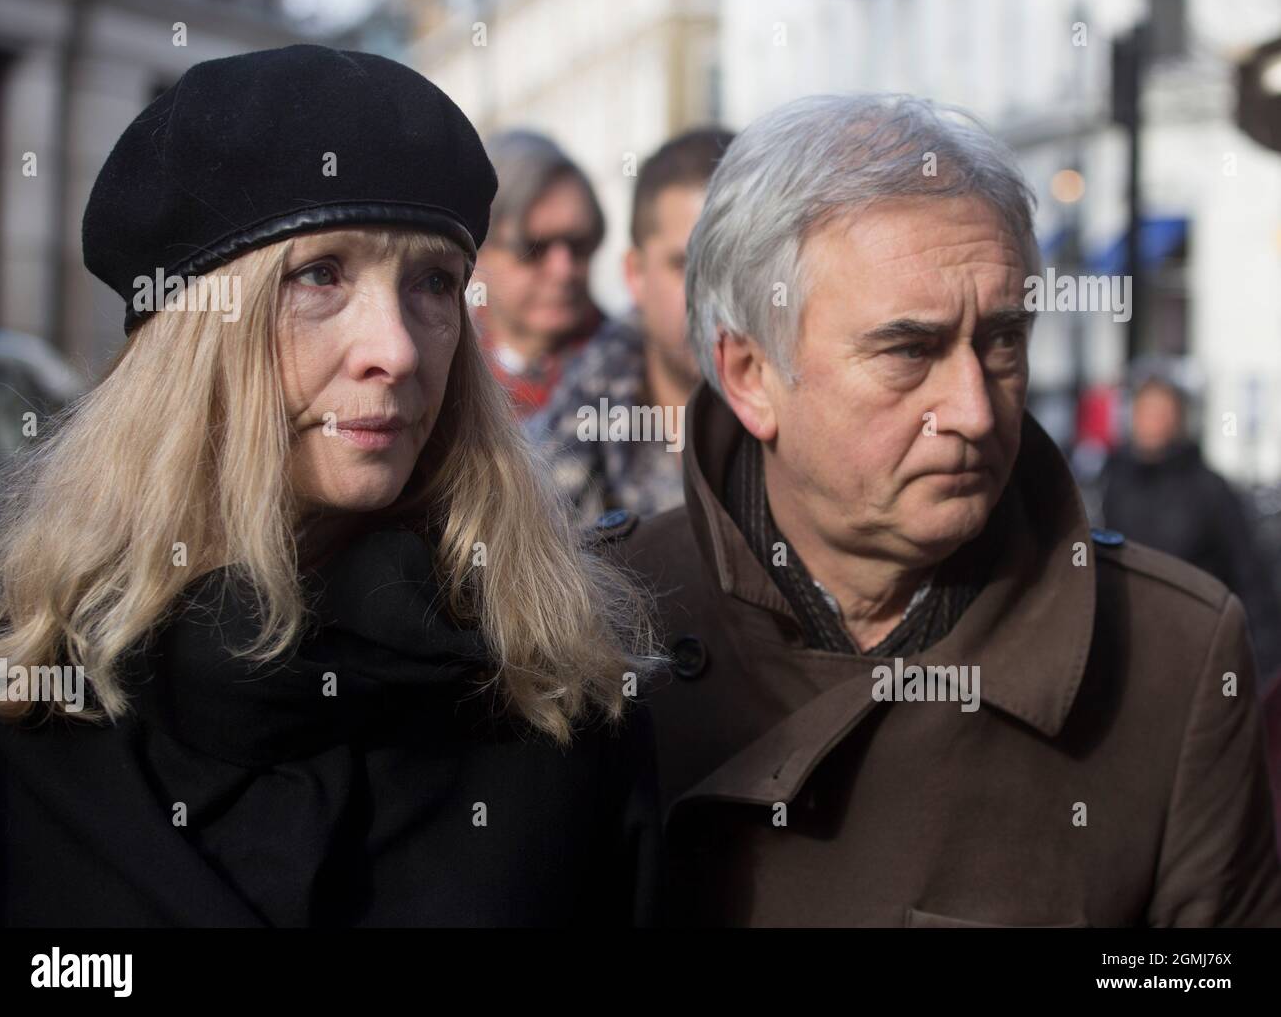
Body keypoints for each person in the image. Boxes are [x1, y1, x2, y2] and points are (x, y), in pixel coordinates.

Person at [0, 45, 661, 928]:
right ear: (194, 335)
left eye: (433, 284)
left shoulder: (559, 702)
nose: (400, 348)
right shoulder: (24, 697)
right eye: (319, 275)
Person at [609, 93, 1281, 926]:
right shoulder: (591, 626)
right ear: (749, 374)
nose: (972, 407)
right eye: (909, 349)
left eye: (1002, 340)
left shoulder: (1169, 656)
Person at [528, 127, 734, 525]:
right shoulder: (543, 471)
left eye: (737, 264)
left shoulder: (819, 441)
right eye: (687, 267)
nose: (715, 297)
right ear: (635, 274)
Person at [1102, 374, 1281, 686]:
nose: (1151, 423)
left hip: (1197, 651)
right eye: (1145, 413)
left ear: (1178, 420)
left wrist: (1263, 661)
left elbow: (1248, 573)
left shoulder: (1209, 489)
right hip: (1130, 653)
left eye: (1161, 414)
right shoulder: (1115, 483)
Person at [472, 131, 605, 417]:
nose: (563, 270)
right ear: (477, 253)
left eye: (579, 244)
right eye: (533, 249)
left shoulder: (639, 375)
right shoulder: (443, 375)